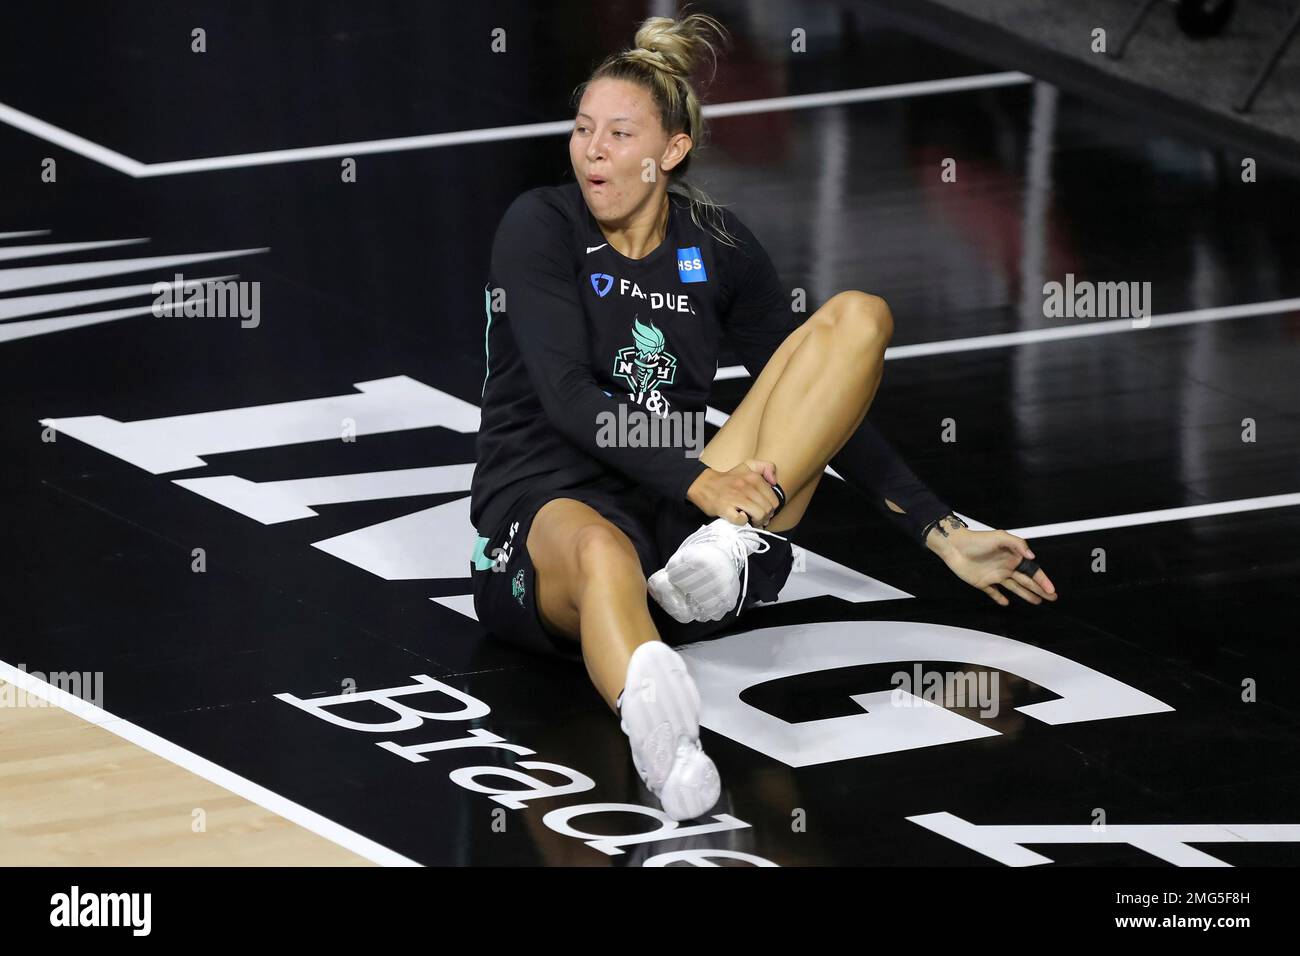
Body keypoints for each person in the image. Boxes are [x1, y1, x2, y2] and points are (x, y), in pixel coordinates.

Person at [468, 11, 1057, 821]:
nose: (592, 150)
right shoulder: (541, 225)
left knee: (856, 318)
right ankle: (666, 744)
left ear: (670, 152)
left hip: (679, 525)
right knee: (601, 551)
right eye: (582, 130)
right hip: (543, 513)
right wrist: (703, 480)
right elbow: (573, 402)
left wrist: (939, 528)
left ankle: (734, 554)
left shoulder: (717, 245)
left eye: (617, 133)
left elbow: (822, 399)